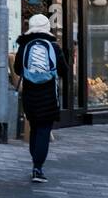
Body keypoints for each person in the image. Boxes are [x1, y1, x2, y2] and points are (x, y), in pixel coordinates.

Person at [13, 13, 68, 184]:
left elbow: (16, 69)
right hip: (49, 95)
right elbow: (64, 70)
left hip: (30, 94)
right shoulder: (53, 46)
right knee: (44, 130)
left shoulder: (24, 45)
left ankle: (35, 161)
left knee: (35, 128)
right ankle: (38, 167)